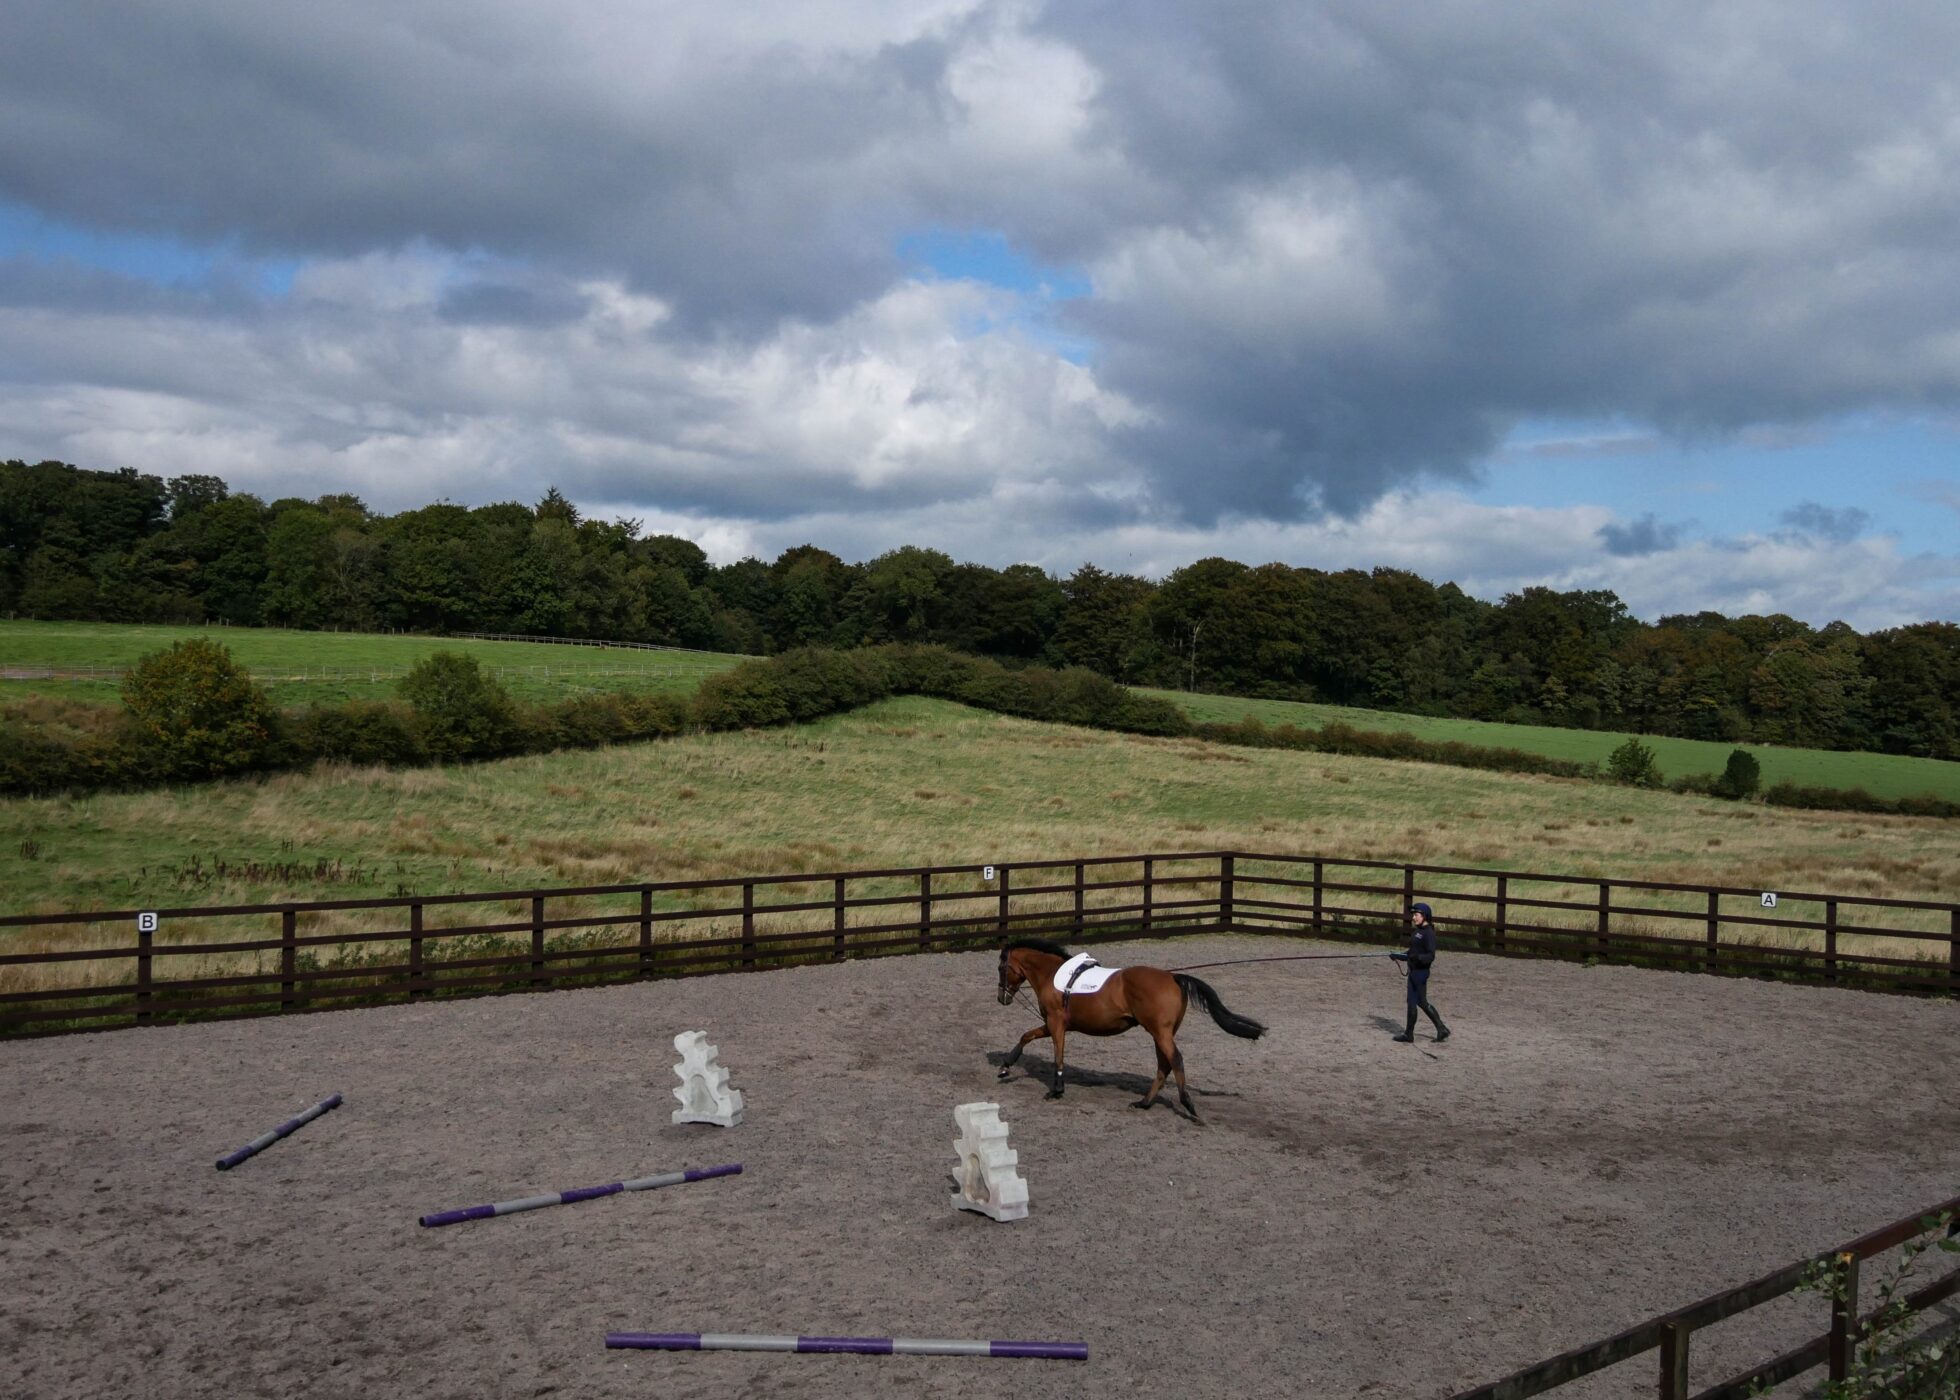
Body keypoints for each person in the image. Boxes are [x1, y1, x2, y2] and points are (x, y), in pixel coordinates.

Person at [1390, 902, 1449, 1043]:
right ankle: (1441, 1029)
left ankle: (1410, 1034)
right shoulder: (1417, 932)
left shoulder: (1428, 934)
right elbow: (1411, 953)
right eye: (1413, 915)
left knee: (1414, 1002)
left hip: (1420, 973)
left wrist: (1418, 958)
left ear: (1425, 916)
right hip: (1413, 972)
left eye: (1416, 915)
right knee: (1421, 1002)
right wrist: (1397, 955)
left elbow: (1430, 956)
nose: (1414, 918)